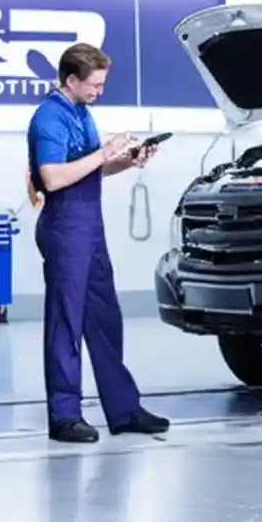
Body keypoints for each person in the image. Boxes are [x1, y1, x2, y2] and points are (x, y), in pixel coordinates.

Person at [27, 42, 171, 443]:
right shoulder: (49, 117)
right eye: (94, 84)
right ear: (71, 80)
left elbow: (90, 171)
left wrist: (127, 159)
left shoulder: (81, 113)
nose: (99, 91)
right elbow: (53, 177)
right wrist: (104, 151)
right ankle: (64, 416)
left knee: (106, 318)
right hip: (64, 227)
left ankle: (124, 410)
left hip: (90, 228)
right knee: (66, 322)